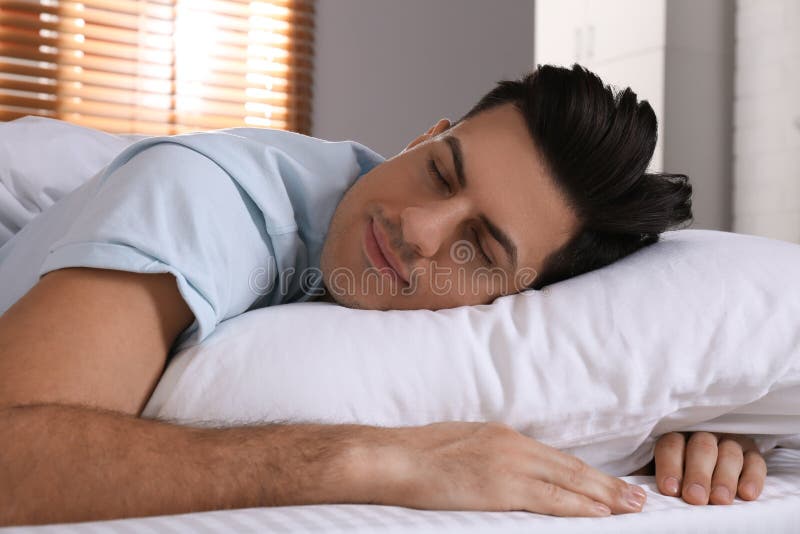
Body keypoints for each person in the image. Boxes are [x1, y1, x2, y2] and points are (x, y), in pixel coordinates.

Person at [0, 64, 766, 525]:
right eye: (439, 171)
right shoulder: (202, 199)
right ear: (422, 136)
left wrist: (662, 433)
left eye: (479, 247)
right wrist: (381, 461)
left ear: (524, 298)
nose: (417, 231)